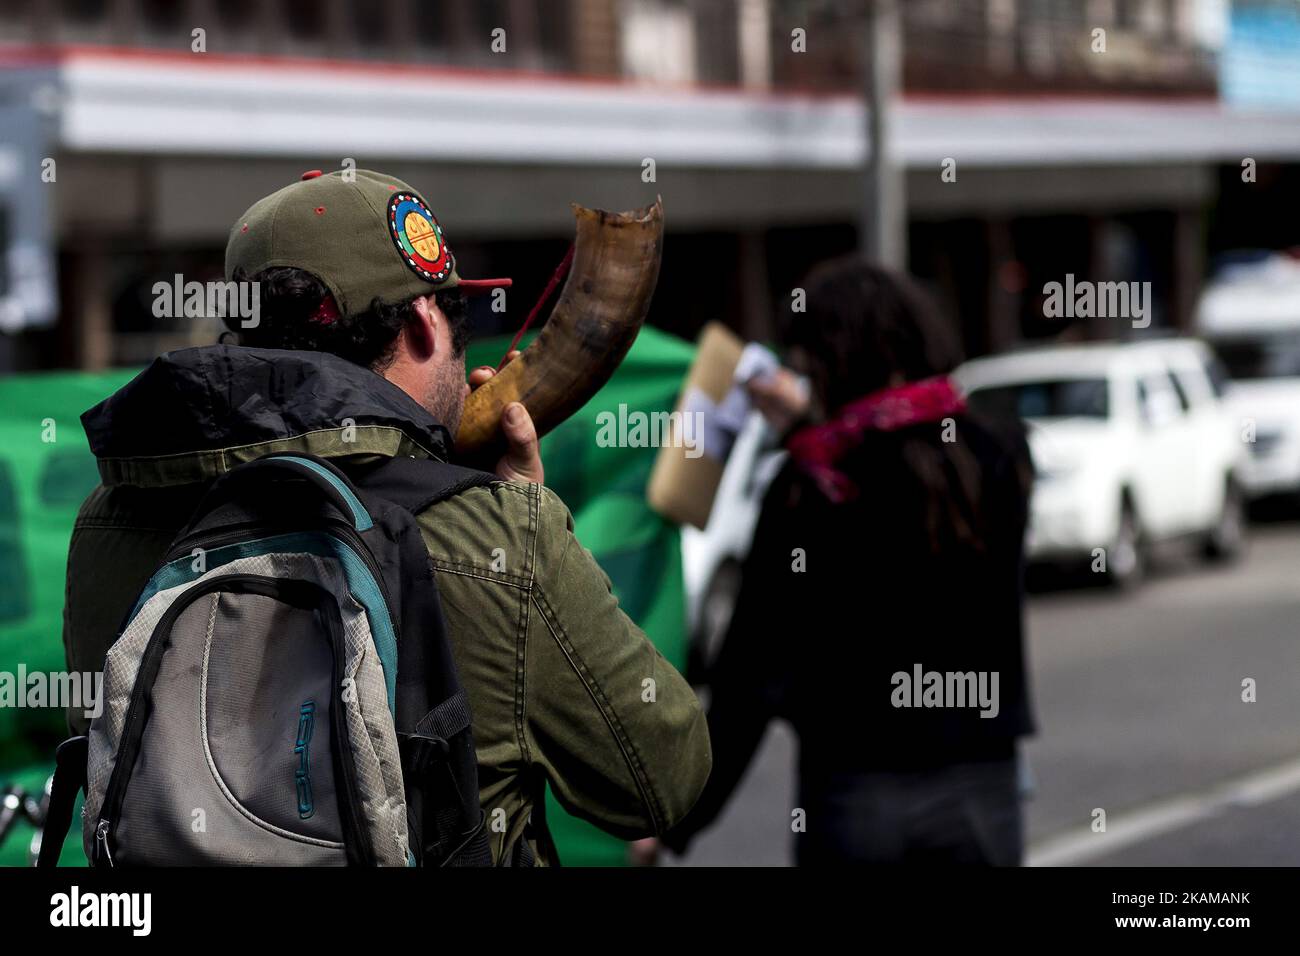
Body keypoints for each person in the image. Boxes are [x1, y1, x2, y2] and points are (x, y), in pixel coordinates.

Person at [61, 169, 711, 866]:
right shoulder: (498, 535)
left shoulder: (107, 521)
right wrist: (524, 513)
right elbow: (661, 782)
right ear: (425, 322)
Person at [665, 257, 1035, 865]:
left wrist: (677, 821)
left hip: (856, 795)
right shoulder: (1000, 457)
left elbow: (751, 677)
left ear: (835, 360)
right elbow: (897, 461)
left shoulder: (806, 488)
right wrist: (810, 431)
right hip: (983, 788)